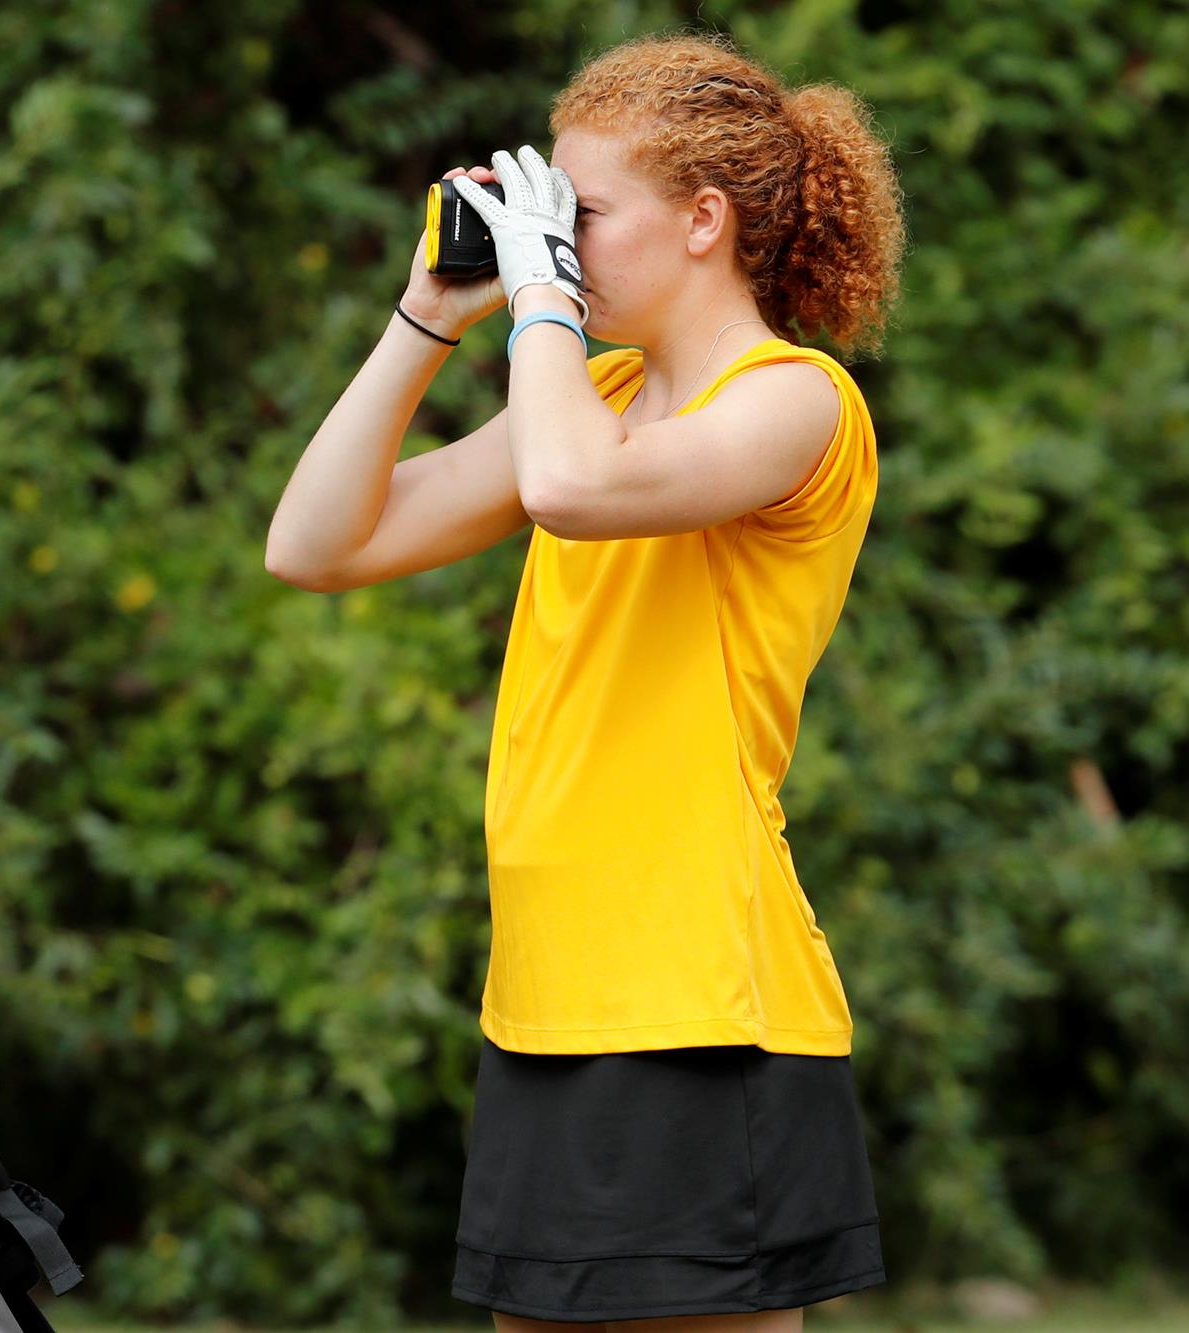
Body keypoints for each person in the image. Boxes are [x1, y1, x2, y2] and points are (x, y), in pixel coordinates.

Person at [264, 27, 907, 1333]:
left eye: (581, 212)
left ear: (702, 222)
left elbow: (573, 487)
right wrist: (427, 320)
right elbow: (316, 544)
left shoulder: (798, 405)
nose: (547, 240)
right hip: (553, 997)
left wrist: (541, 298)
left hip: (699, 1002)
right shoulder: (596, 391)